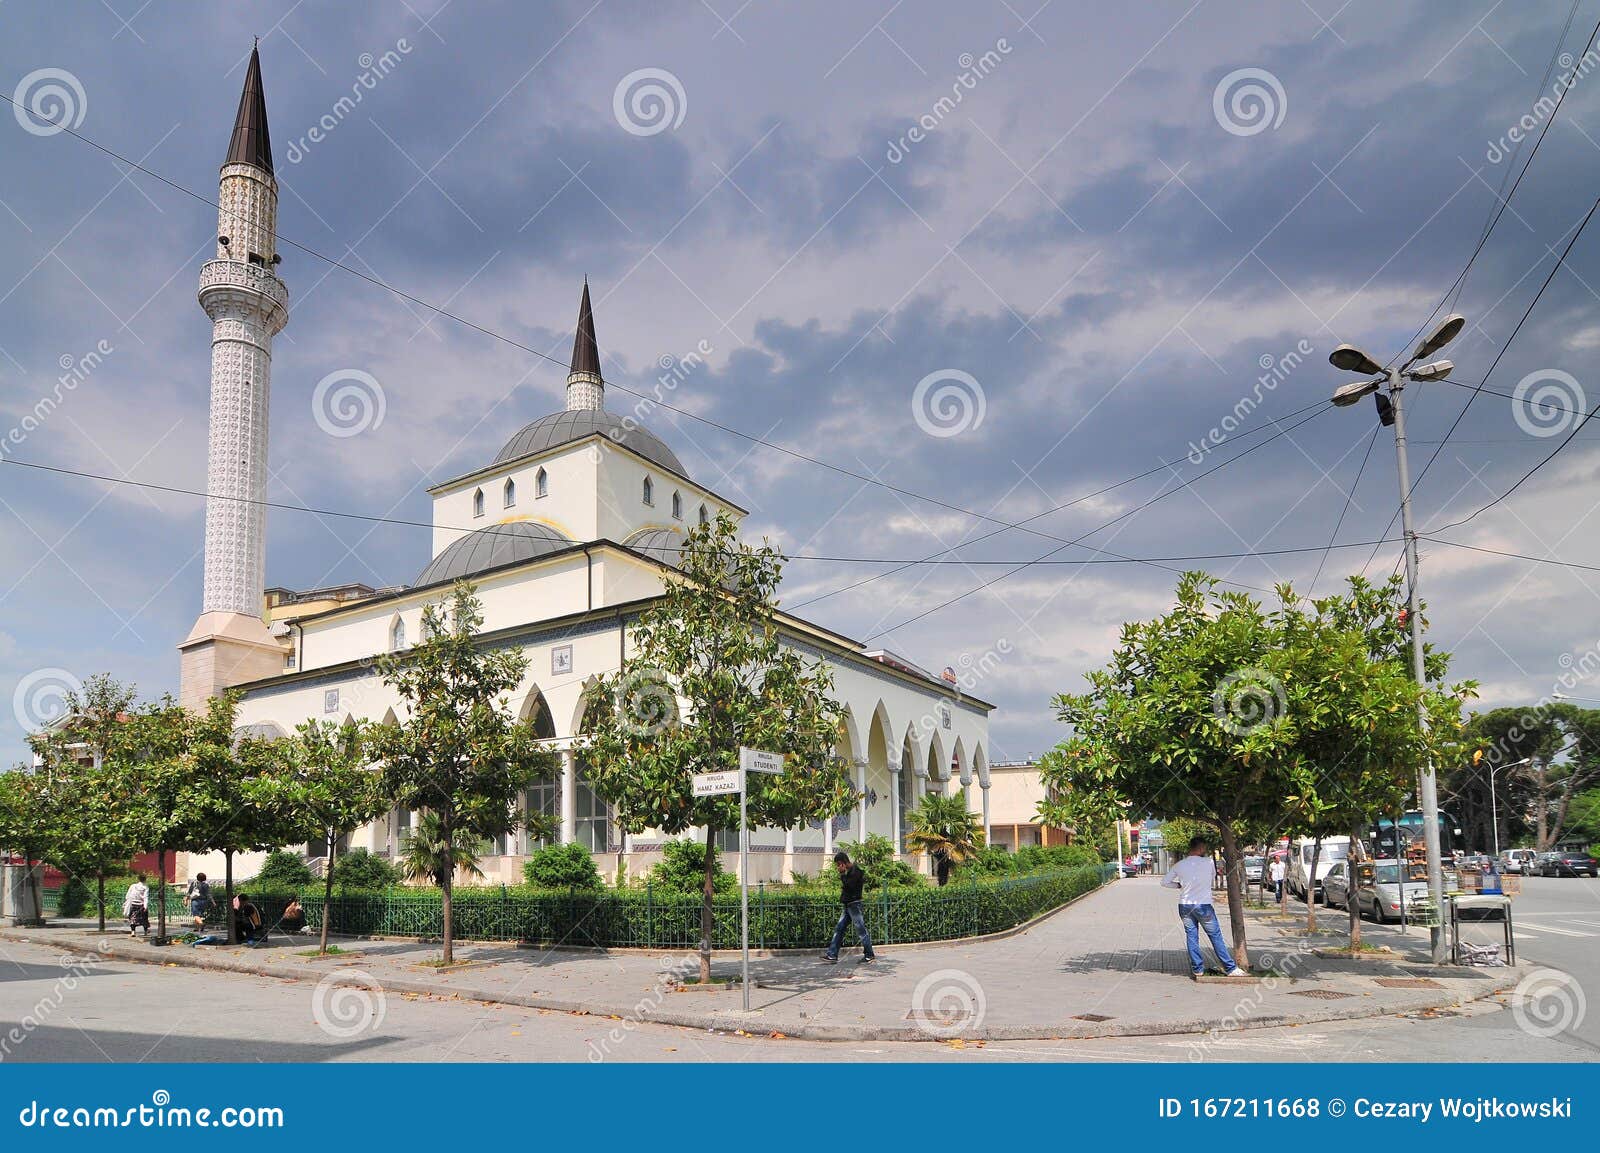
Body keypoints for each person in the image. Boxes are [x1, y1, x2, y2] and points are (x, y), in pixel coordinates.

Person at [1163, 835, 1247, 978]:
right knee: (1215, 936)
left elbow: (1164, 882)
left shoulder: (1179, 865)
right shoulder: (1208, 862)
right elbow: (1213, 876)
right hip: (1203, 905)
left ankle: (1198, 969)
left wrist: (1178, 885)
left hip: (1185, 905)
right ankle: (1230, 968)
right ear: (1201, 848)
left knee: (1191, 936)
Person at [820, 851, 876, 964]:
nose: (838, 867)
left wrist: (842, 874)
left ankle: (869, 955)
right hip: (848, 905)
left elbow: (849, 886)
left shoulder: (856, 871)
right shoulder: (850, 872)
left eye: (838, 865)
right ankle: (832, 955)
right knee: (839, 929)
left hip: (854, 905)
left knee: (861, 930)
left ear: (842, 863)